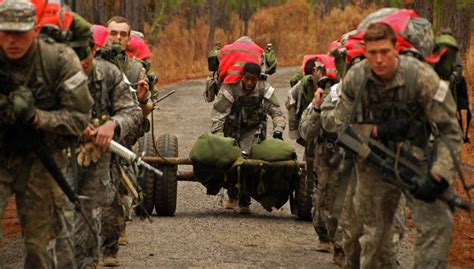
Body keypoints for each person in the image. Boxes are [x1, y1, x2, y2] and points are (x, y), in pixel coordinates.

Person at [330, 22, 462, 268]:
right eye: (372, 53)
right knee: (376, 238)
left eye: (385, 52)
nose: (378, 59)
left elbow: (449, 131)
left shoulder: (422, 78)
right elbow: (340, 125)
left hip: (419, 159)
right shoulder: (355, 80)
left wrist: (439, 175)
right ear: (365, 52)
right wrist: (376, 130)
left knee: (437, 225)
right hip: (372, 162)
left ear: (396, 50)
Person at [0, 0, 93, 268]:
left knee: (40, 248)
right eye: (5, 32)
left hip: (41, 158)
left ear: (35, 30)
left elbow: (78, 120)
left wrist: (38, 117)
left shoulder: (59, 59)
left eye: (20, 32)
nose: (12, 40)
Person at [70, 29, 142, 268]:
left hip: (102, 151)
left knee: (98, 204)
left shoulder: (110, 74)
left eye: (85, 54)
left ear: (93, 51)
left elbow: (133, 112)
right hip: (61, 152)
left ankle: (95, 257)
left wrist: (112, 124)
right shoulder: (55, 74)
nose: (80, 61)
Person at [211, 62, 286, 214]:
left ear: (258, 79)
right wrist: (219, 139)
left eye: (253, 80)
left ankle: (245, 199)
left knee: (249, 161)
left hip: (252, 130)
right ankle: (232, 195)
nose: (250, 83)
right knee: (230, 160)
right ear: (242, 77)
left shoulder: (264, 90)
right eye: (247, 79)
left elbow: (277, 112)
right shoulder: (230, 88)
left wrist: (278, 129)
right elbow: (218, 116)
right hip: (229, 129)